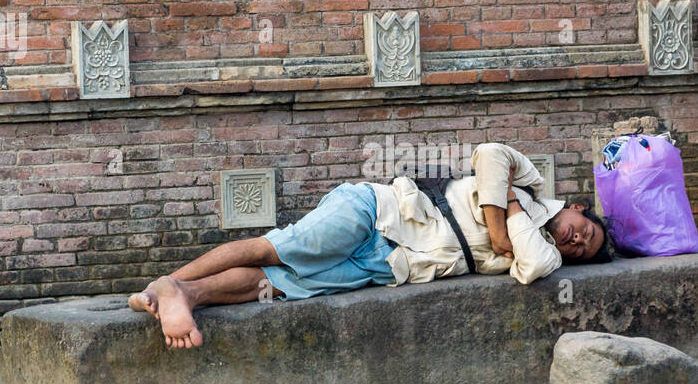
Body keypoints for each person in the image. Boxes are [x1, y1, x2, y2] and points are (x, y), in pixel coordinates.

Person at [129, 143, 611, 348]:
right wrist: (503, 225)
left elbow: (530, 265)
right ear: (577, 207)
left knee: (276, 285)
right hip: (380, 211)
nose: (575, 240)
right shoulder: (531, 181)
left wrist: (506, 202)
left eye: (582, 251)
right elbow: (489, 154)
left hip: (390, 265)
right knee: (278, 249)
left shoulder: (545, 254)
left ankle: (182, 293)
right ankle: (174, 284)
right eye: (583, 229)